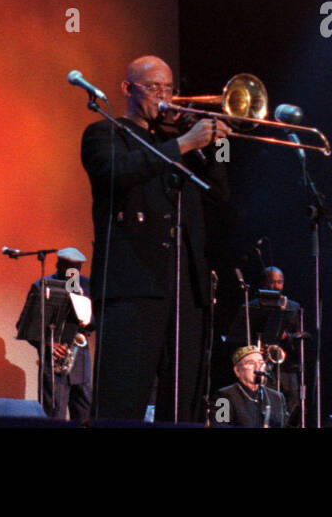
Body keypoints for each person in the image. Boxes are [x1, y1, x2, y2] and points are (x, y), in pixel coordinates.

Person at [82, 55, 229, 422]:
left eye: (168, 88)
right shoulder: (105, 133)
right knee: (122, 398)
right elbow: (118, 172)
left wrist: (212, 147)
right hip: (133, 286)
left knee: (184, 402)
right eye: (154, 87)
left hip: (186, 288)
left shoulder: (179, 142)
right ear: (127, 89)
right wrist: (182, 144)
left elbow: (220, 194)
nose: (164, 96)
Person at [16, 247, 93, 421]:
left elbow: (95, 322)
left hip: (80, 362)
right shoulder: (41, 286)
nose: (72, 274)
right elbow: (23, 325)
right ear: (58, 265)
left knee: (84, 416)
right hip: (54, 363)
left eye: (76, 268)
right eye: (68, 268)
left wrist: (87, 321)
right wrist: (48, 344)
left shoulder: (86, 285)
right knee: (54, 415)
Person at [224, 266, 303, 421]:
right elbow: (239, 337)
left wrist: (288, 336)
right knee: (266, 398)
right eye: (272, 282)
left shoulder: (292, 307)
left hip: (286, 364)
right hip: (260, 363)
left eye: (280, 282)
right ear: (264, 283)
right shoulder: (251, 306)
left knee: (293, 398)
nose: (276, 286)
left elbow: (302, 334)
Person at [213, 346, 287, 428]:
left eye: (261, 363)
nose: (257, 367)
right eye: (251, 363)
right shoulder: (224, 396)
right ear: (237, 370)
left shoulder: (277, 397)